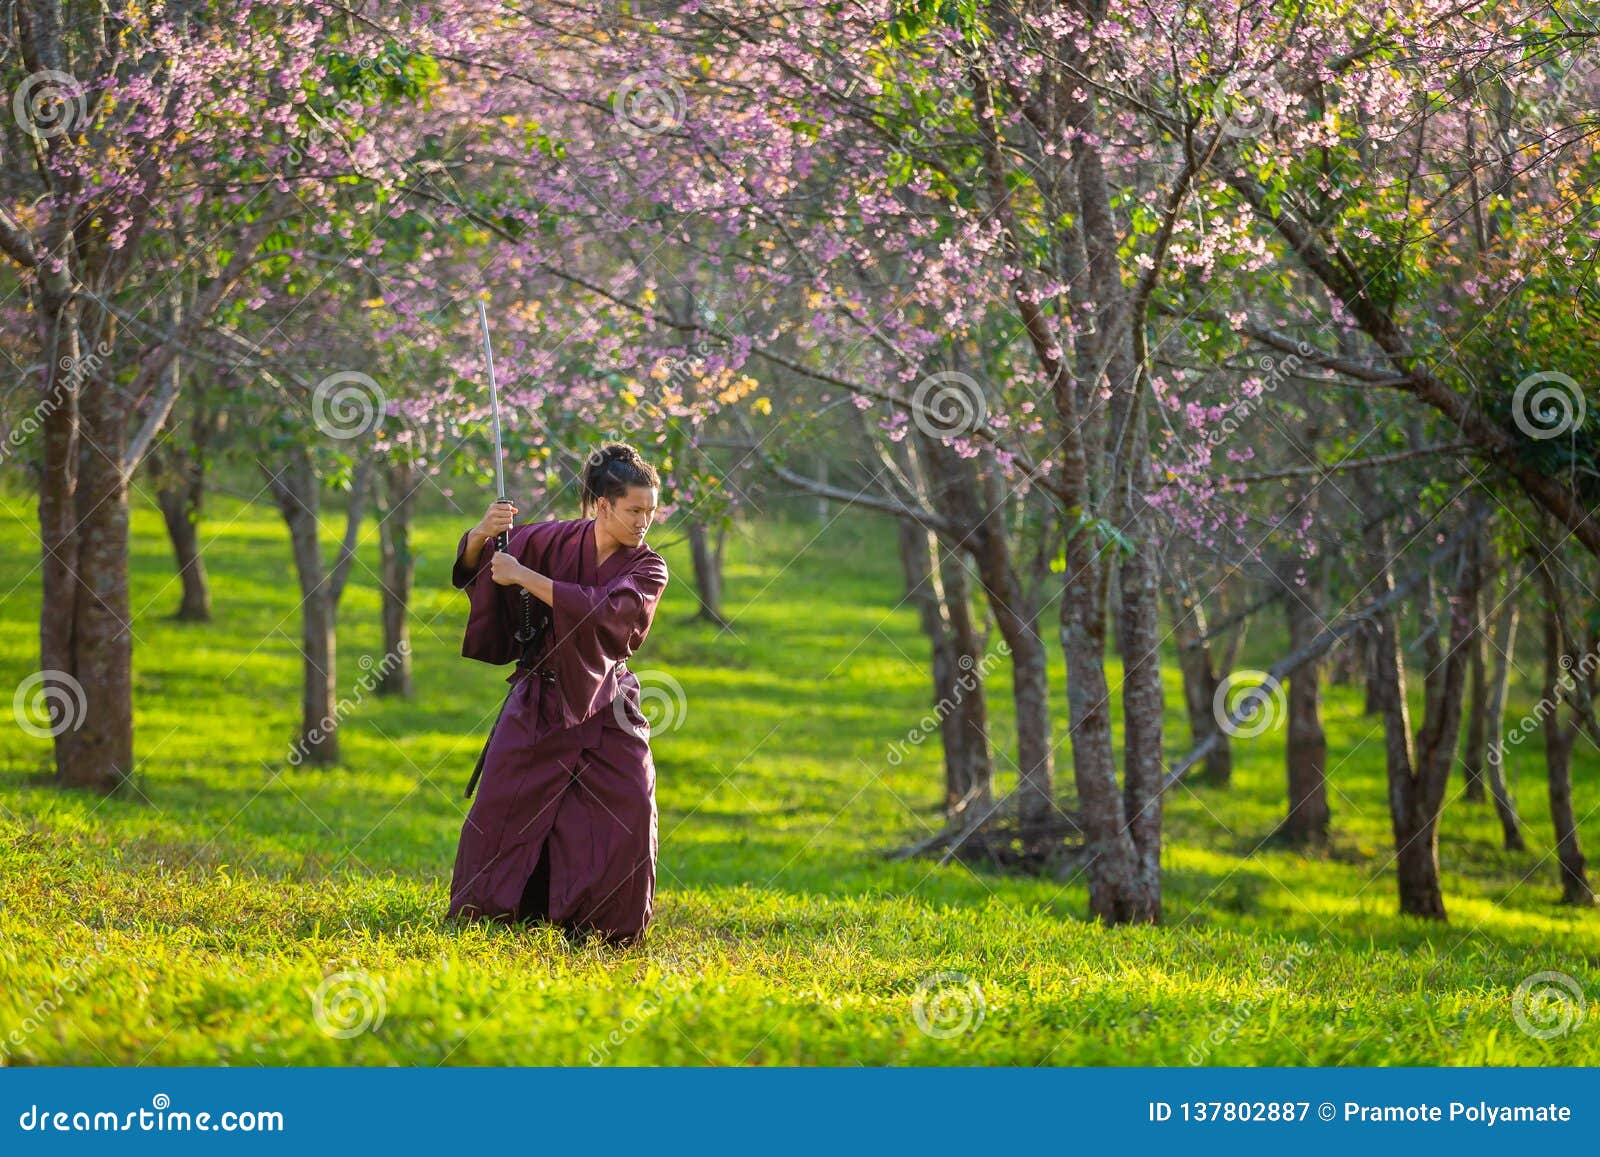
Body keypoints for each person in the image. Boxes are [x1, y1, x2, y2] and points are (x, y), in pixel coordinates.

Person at [446, 442, 668, 947]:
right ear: (602, 504)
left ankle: (607, 929)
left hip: (608, 700)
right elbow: (484, 566)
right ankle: (486, 917)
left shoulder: (649, 567)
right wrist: (484, 533)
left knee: (629, 806)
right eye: (634, 510)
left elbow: (609, 612)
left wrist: (525, 576)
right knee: (504, 806)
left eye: (651, 511)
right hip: (540, 695)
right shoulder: (550, 539)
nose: (644, 522)